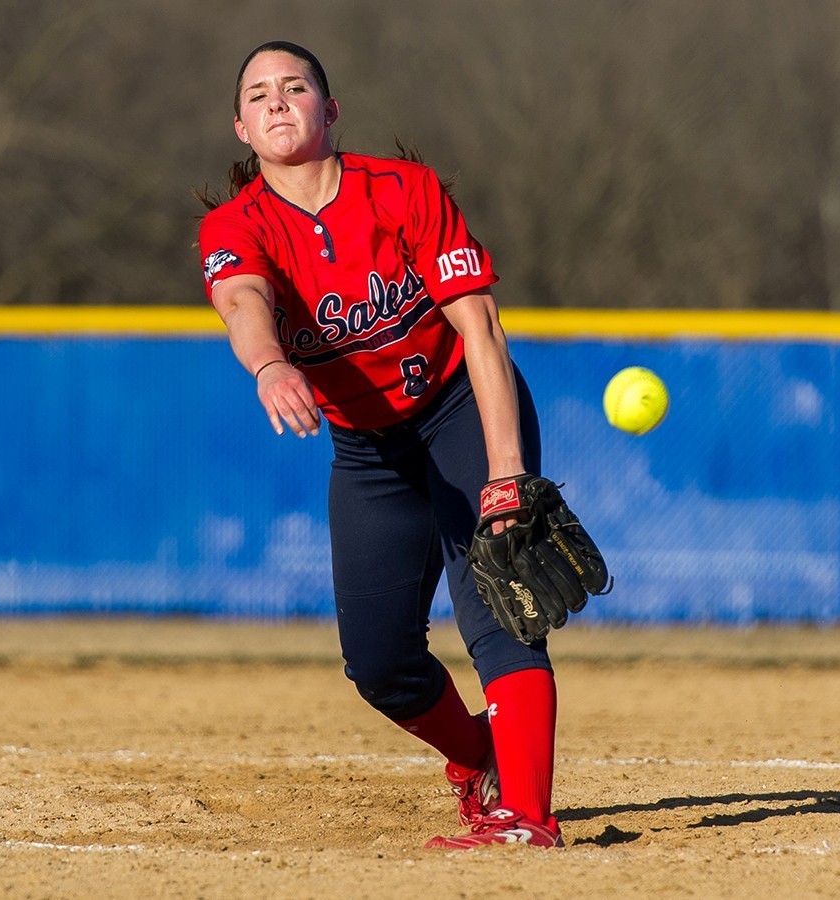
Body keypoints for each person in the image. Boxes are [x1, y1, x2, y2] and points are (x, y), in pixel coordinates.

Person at [196, 40, 570, 849]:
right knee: (379, 663)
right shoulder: (237, 225)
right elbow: (242, 299)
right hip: (369, 451)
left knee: (501, 606)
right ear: (241, 127)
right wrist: (268, 365)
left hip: (460, 408)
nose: (278, 101)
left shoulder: (404, 190)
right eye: (259, 95)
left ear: (331, 110)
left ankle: (527, 818)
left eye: (296, 87)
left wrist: (506, 472)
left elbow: (481, 326)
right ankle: (479, 757)